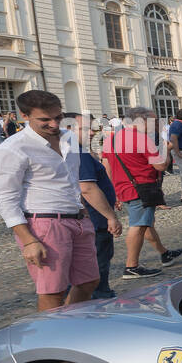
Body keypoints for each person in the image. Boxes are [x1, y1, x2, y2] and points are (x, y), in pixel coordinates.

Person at [0, 91, 120, 310]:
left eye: (58, 117)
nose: (53, 123)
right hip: (44, 223)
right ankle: (50, 336)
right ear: (24, 115)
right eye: (45, 119)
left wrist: (84, 208)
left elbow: (73, 180)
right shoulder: (13, 148)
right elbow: (5, 199)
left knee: (89, 281)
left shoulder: (68, 139)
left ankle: (68, 324)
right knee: (53, 291)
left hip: (78, 219)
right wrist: (29, 240)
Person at [102, 107, 182, 278]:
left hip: (124, 187)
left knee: (146, 223)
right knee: (139, 225)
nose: (155, 124)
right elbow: (161, 165)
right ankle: (132, 266)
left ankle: (164, 254)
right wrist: (166, 150)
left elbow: (106, 165)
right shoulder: (141, 139)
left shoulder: (112, 138)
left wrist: (113, 190)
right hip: (142, 188)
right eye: (152, 120)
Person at [66, 113, 119, 299]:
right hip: (95, 220)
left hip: (88, 218)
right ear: (68, 129)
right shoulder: (78, 153)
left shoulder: (76, 150)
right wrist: (110, 216)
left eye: (92, 129)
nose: (91, 133)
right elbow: (87, 188)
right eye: (85, 129)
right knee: (97, 263)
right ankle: (99, 297)